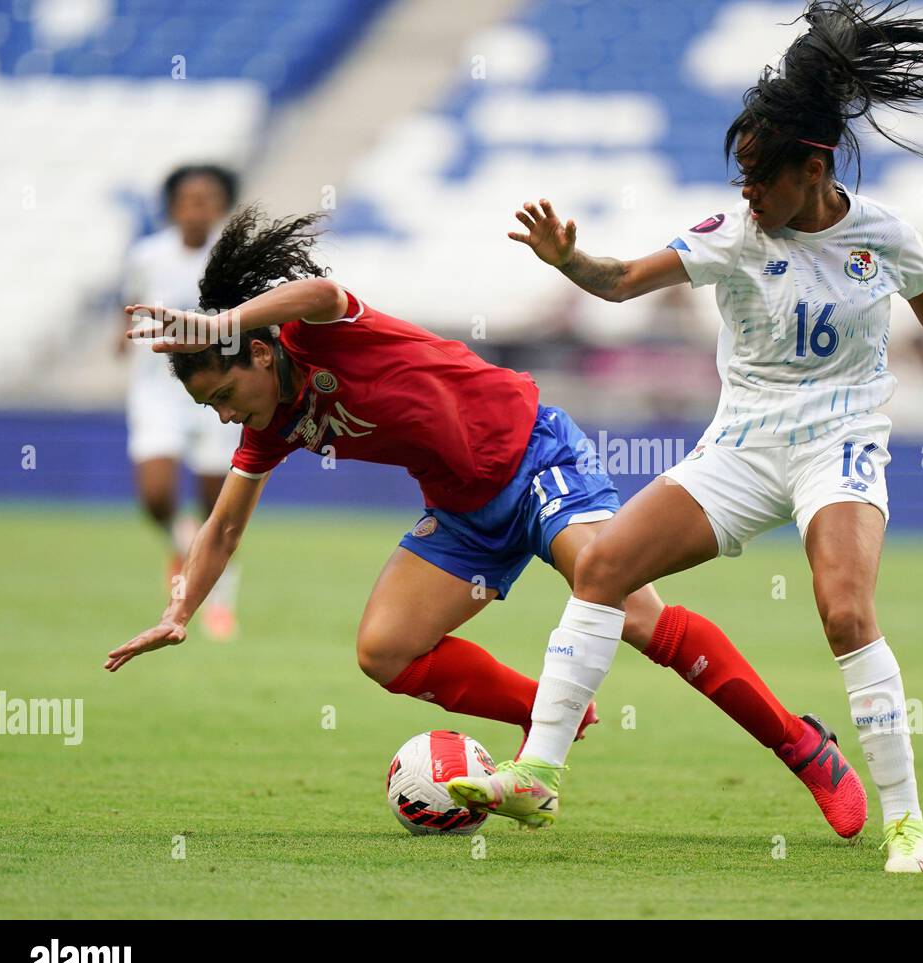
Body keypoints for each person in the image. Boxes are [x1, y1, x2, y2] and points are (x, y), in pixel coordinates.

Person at [447, 0, 923, 874]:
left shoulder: (884, 235)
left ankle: (907, 824)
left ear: (813, 167)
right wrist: (568, 262)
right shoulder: (737, 235)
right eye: (739, 177)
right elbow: (621, 280)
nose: (746, 194)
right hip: (742, 445)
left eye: (759, 179)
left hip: (839, 440)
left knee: (845, 610)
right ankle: (540, 771)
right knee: (603, 567)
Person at [103, 206, 869, 838]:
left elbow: (324, 289)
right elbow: (225, 527)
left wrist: (216, 322)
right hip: (464, 511)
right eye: (211, 410)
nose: (225, 414)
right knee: (385, 649)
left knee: (633, 614)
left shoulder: (321, 333)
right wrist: (179, 610)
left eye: (223, 394)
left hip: (536, 457)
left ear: (261, 355)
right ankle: (556, 715)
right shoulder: (270, 424)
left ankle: (805, 748)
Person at [119, 165, 243, 639]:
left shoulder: (228, 260)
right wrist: (120, 336)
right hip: (158, 390)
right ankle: (181, 541)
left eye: (208, 199)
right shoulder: (148, 256)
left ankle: (220, 602)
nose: (198, 208)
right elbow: (129, 302)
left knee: (220, 507)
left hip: (216, 392)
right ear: (172, 206)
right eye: (189, 199)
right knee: (155, 495)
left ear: (221, 205)